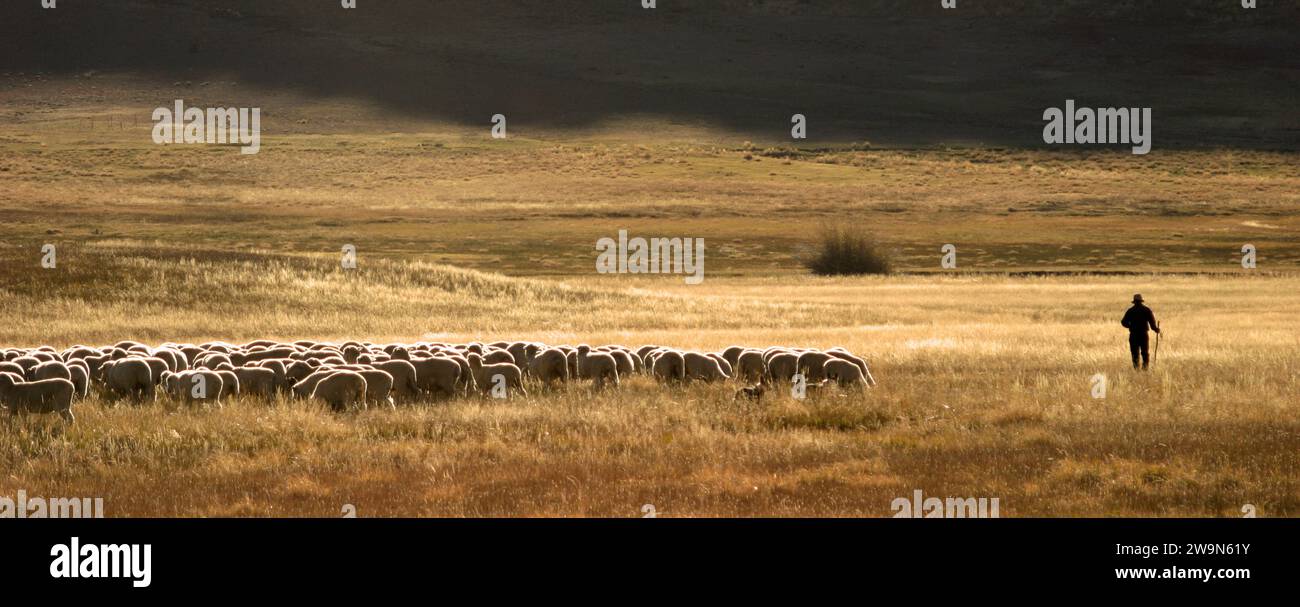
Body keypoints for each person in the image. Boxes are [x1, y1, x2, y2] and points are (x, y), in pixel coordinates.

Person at [1121, 294, 1160, 370]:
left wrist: (1130, 326)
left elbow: (1123, 322)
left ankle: (1136, 370)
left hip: (1133, 335)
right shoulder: (1146, 310)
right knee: (1145, 352)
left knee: (1135, 353)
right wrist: (1156, 329)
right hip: (1143, 334)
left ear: (1134, 302)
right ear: (1141, 301)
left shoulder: (1130, 311)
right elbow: (1152, 323)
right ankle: (1145, 369)